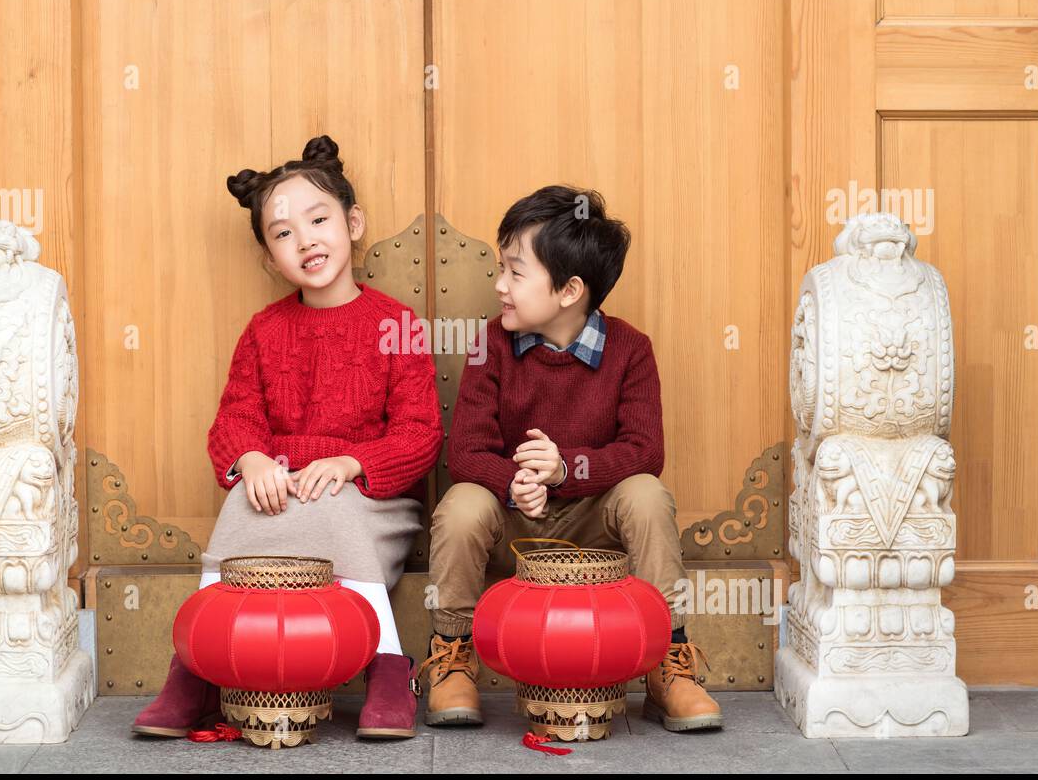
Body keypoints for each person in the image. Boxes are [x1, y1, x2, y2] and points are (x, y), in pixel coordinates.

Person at [132, 135, 442, 740]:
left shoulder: (395, 324)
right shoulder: (264, 331)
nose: (304, 240)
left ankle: (387, 668)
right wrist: (250, 460)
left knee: (338, 509)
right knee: (240, 510)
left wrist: (353, 463)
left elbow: (420, 432)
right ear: (269, 257)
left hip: (369, 499)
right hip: (281, 487)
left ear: (353, 224)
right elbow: (236, 418)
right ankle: (193, 671)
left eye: (319, 220)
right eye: (281, 233)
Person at [421, 185, 723, 732]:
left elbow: (644, 451)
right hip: (516, 520)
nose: (499, 286)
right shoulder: (491, 344)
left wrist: (566, 469)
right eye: (500, 268)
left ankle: (668, 660)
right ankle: (451, 655)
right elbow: (464, 450)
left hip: (592, 524)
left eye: (515, 273)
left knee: (647, 494)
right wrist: (515, 482)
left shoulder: (631, 349)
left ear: (569, 290)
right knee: (462, 504)